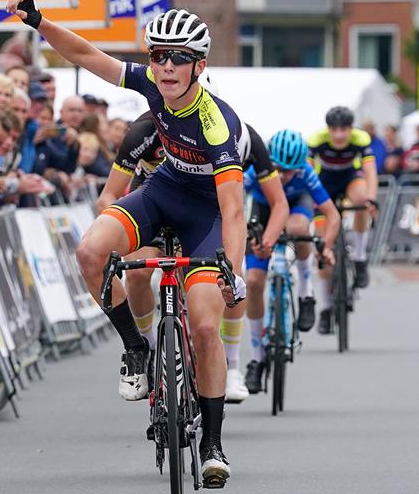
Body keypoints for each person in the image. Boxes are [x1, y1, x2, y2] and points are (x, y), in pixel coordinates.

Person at [7, 0, 245, 487]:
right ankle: (136, 346)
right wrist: (40, 22)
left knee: (204, 326)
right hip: (163, 191)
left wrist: (233, 272)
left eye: (178, 59)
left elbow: (233, 208)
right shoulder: (152, 89)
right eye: (158, 57)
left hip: (205, 216)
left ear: (199, 66)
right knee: (91, 251)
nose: (166, 68)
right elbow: (89, 55)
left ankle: (213, 443)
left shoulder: (216, 123)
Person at [96, 110, 284, 404]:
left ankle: (229, 365)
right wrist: (115, 233)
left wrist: (263, 238)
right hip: (152, 202)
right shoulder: (143, 131)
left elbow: (266, 202)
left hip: (202, 210)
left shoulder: (234, 135)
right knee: (137, 273)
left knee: (224, 278)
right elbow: (107, 196)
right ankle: (149, 346)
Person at [243, 130, 338, 394]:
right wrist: (247, 234)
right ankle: (257, 358)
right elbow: (233, 207)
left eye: (291, 171)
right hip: (263, 209)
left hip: (297, 206)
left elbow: (332, 215)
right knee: (252, 282)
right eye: (279, 170)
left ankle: (306, 293)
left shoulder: (306, 173)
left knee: (299, 227)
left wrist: (327, 247)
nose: (284, 176)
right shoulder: (254, 172)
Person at [308, 106, 378, 313]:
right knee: (323, 248)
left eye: (344, 129)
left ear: (351, 129)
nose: (339, 135)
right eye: (334, 129)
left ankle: (359, 256)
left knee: (362, 198)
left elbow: (370, 172)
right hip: (324, 185)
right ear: (328, 129)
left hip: (350, 180)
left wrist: (372, 199)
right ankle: (327, 307)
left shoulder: (361, 139)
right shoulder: (316, 140)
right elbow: (308, 173)